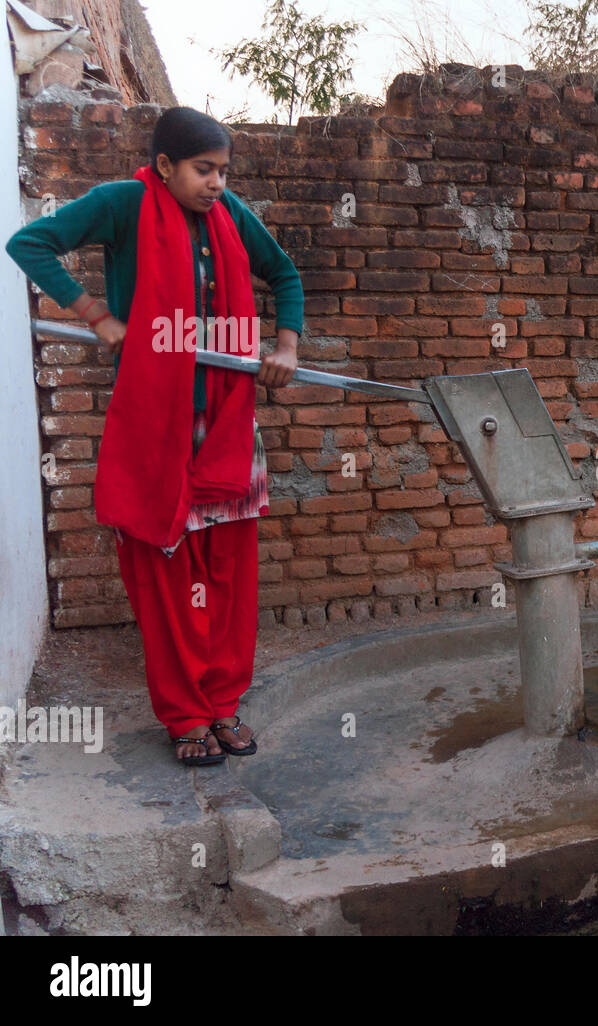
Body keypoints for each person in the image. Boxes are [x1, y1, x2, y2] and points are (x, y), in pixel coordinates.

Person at [7, 107, 304, 765]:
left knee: (229, 572)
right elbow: (30, 244)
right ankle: (185, 715)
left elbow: (283, 273)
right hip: (155, 424)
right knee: (167, 570)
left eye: (224, 170)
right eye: (204, 170)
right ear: (165, 166)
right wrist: (95, 314)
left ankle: (224, 704)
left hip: (227, 424)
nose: (217, 183)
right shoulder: (124, 205)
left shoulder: (231, 218)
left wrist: (284, 344)